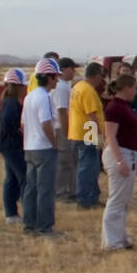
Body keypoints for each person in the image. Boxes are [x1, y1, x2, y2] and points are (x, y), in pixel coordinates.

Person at [21, 57, 63, 236]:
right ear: (48, 77)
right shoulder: (45, 97)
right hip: (44, 149)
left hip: (29, 148)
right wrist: (55, 144)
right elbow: (46, 123)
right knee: (46, 189)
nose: (57, 81)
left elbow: (23, 124)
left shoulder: (29, 96)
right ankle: (45, 227)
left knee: (31, 188)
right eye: (55, 77)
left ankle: (29, 224)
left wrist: (30, 138)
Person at [102, 74, 137, 251]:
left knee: (124, 199)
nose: (135, 92)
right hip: (120, 154)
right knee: (117, 199)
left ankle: (120, 237)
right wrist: (120, 161)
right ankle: (112, 241)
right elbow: (110, 136)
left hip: (129, 155)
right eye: (134, 87)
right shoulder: (114, 108)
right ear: (126, 88)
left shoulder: (124, 107)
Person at [69, 61, 107, 208]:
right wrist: (97, 136)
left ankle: (91, 196)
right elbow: (92, 116)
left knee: (91, 166)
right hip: (87, 134)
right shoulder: (89, 91)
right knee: (88, 168)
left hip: (78, 132)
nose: (102, 80)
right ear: (96, 75)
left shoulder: (77, 87)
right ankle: (85, 200)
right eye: (101, 76)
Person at [0, 68, 26, 224]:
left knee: (12, 179)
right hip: (12, 146)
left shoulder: (8, 101)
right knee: (24, 178)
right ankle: (25, 214)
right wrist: (20, 133)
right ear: (18, 86)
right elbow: (9, 124)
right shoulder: (11, 103)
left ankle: (11, 214)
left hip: (7, 146)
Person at [53, 57, 77, 202]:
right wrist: (67, 131)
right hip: (63, 128)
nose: (74, 71)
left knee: (69, 161)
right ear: (64, 69)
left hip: (64, 127)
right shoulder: (61, 86)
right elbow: (62, 111)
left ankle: (68, 190)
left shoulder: (64, 86)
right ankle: (61, 192)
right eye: (72, 68)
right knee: (65, 161)